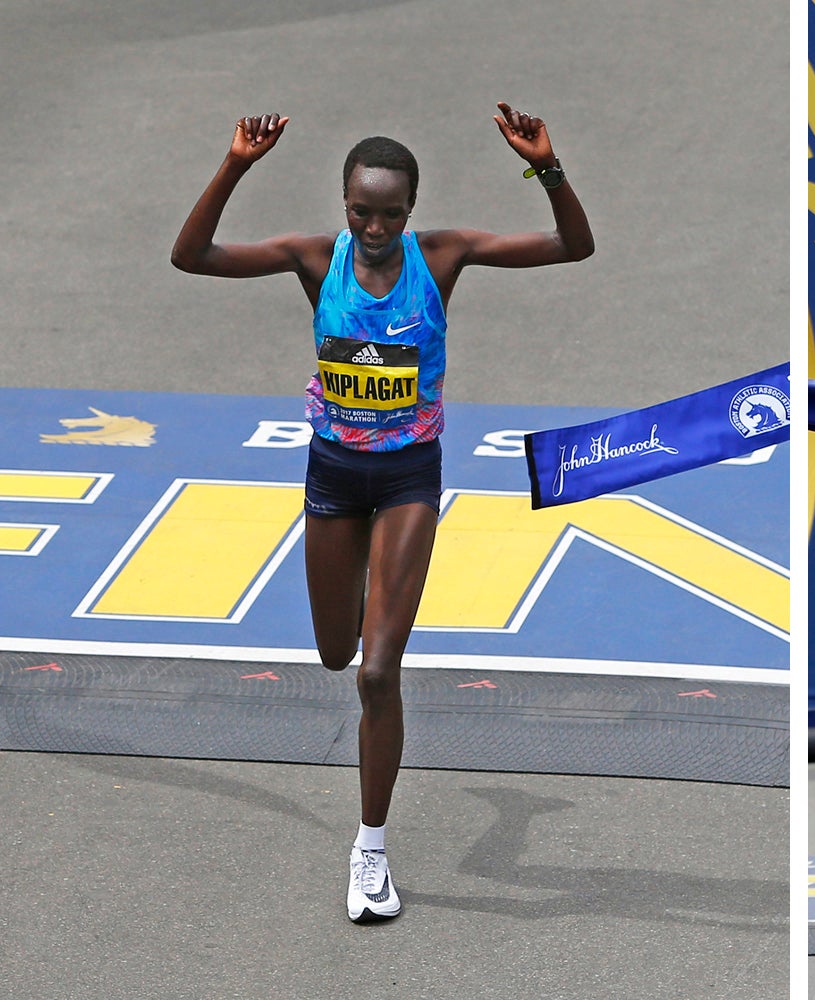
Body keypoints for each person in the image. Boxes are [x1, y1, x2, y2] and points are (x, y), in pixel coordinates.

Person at [171, 105, 593, 923]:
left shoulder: (441, 257)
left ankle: (370, 850)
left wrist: (546, 165)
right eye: (361, 211)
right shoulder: (311, 260)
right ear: (344, 205)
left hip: (407, 480)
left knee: (374, 673)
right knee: (336, 654)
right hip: (332, 475)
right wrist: (235, 165)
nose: (373, 227)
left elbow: (573, 247)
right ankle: (371, 602)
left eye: (389, 214)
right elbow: (190, 258)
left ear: (411, 211)